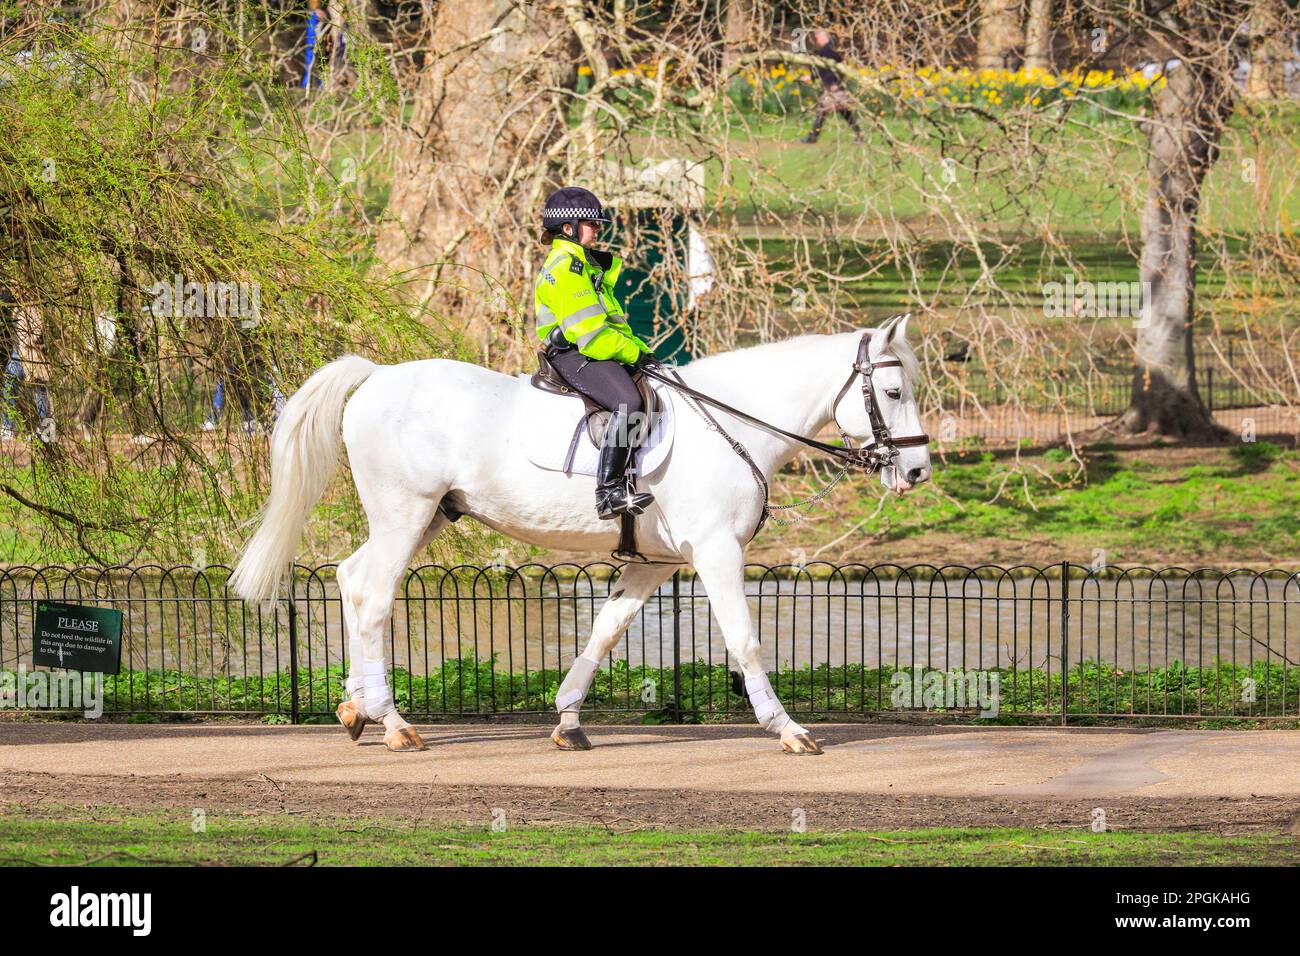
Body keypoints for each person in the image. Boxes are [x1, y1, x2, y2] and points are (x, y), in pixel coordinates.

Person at [534, 186, 658, 520]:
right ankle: (609, 492)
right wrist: (634, 355)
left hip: (593, 348)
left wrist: (643, 353)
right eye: (592, 223)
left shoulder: (586, 266)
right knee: (628, 403)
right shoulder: (566, 270)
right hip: (575, 354)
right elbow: (593, 334)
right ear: (568, 228)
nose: (598, 229)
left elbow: (613, 324)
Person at [799, 30, 864, 144]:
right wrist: (811, 77)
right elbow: (825, 68)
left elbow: (830, 69)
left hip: (833, 87)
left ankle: (813, 137)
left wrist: (832, 84)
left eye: (818, 38)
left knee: (822, 110)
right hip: (836, 86)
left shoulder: (828, 51)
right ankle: (859, 135)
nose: (817, 41)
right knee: (844, 112)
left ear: (824, 38)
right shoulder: (830, 50)